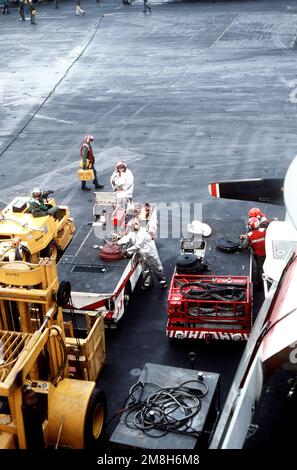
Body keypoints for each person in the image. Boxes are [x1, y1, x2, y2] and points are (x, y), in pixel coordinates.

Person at [115, 219, 167, 290]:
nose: (136, 226)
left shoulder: (142, 233)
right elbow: (127, 238)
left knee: (157, 267)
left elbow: (138, 245)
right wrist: (117, 243)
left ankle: (163, 282)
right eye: (134, 225)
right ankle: (148, 283)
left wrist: (126, 251)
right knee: (145, 269)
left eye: (136, 224)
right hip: (142, 254)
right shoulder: (133, 232)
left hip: (150, 253)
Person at [240, 217, 266, 287]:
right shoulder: (264, 230)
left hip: (259, 254)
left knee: (260, 268)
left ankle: (260, 283)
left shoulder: (249, 235)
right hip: (267, 252)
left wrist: (243, 239)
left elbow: (244, 246)